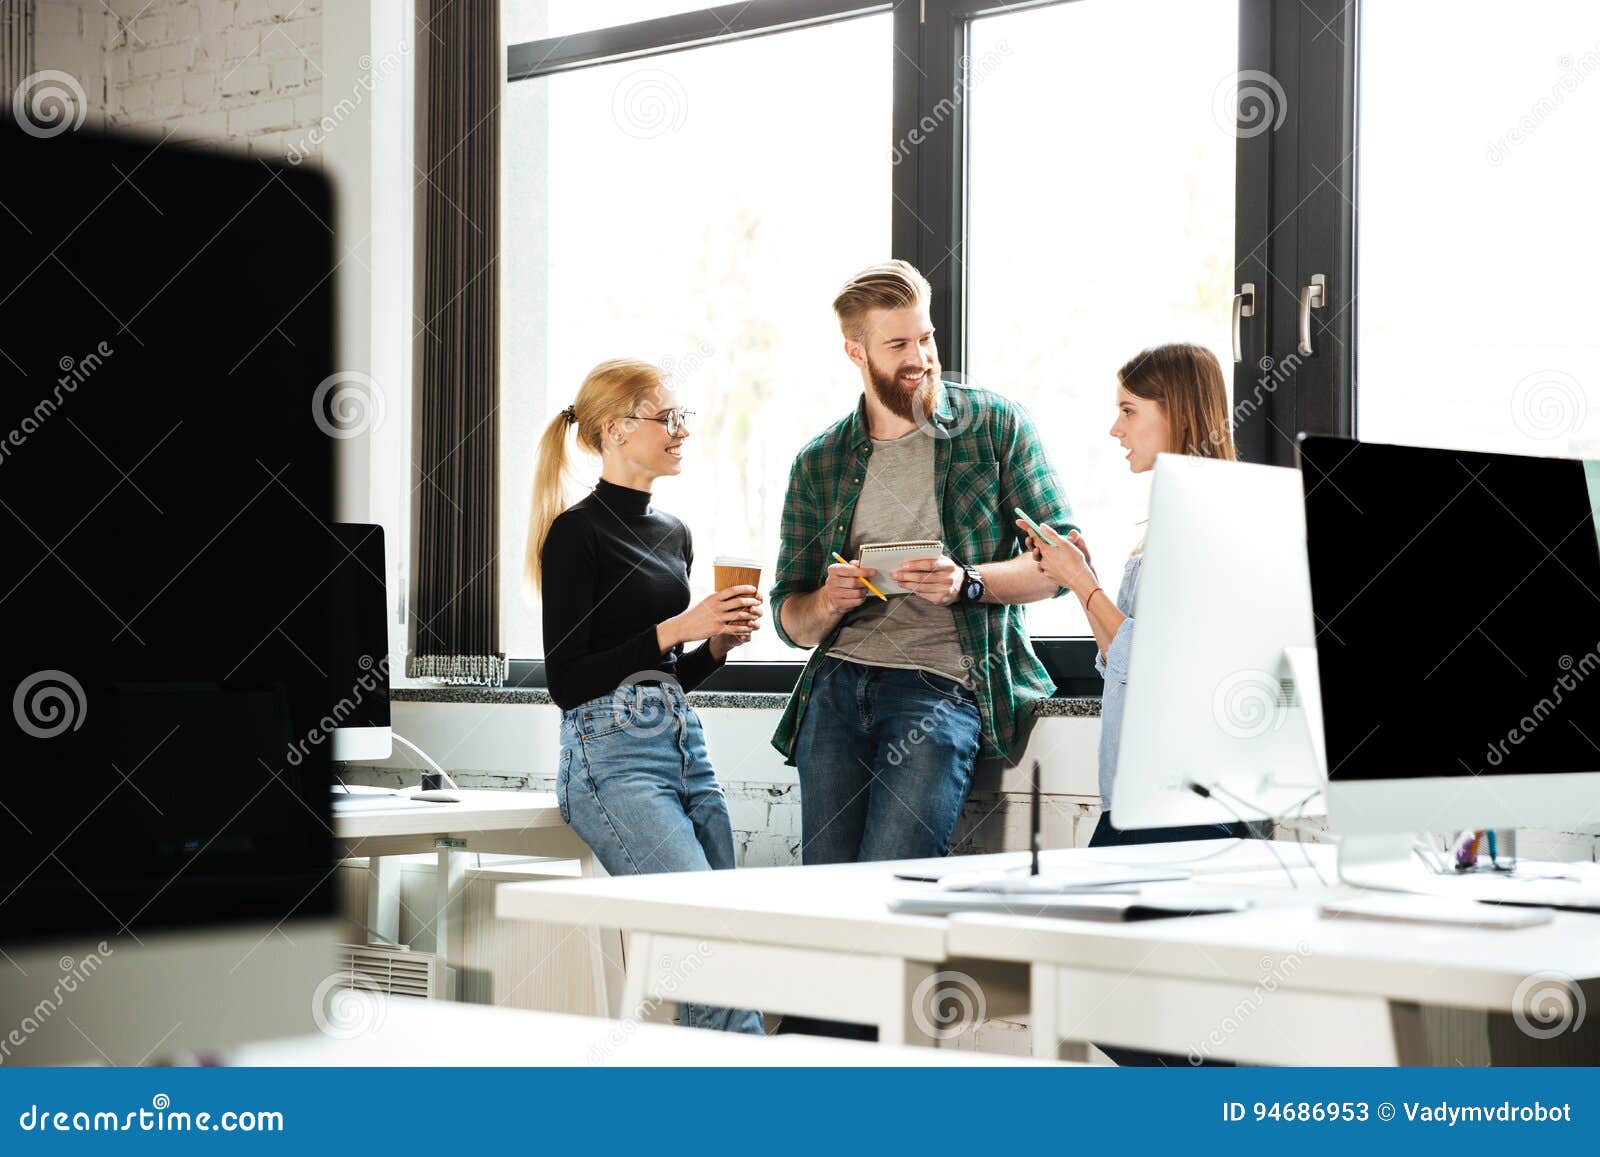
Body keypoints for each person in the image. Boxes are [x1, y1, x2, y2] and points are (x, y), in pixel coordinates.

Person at [770, 260, 1075, 868]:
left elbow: (1063, 562)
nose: (921, 357)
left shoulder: (995, 427)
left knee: (894, 884)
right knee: (824, 898)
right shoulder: (819, 462)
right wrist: (829, 600)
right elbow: (790, 621)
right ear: (856, 352)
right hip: (835, 693)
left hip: (941, 690)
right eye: (898, 344)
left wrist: (969, 582)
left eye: (926, 337)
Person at [525, 358, 764, 1035]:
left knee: (734, 946)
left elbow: (664, 673)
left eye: (683, 418)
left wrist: (713, 645)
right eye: (669, 419)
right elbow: (567, 681)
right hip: (613, 762)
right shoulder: (575, 534)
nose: (682, 431)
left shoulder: (675, 532)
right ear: (616, 429)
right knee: (709, 953)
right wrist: (679, 626)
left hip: (682, 745)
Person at [1021, 342, 1243, 849]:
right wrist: (1083, 580)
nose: (1114, 429)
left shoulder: (1209, 523)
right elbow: (1122, 660)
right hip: (1135, 799)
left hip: (1181, 803)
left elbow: (1157, 667)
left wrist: (1083, 582)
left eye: (1128, 411)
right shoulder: (1168, 523)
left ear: (1179, 414)